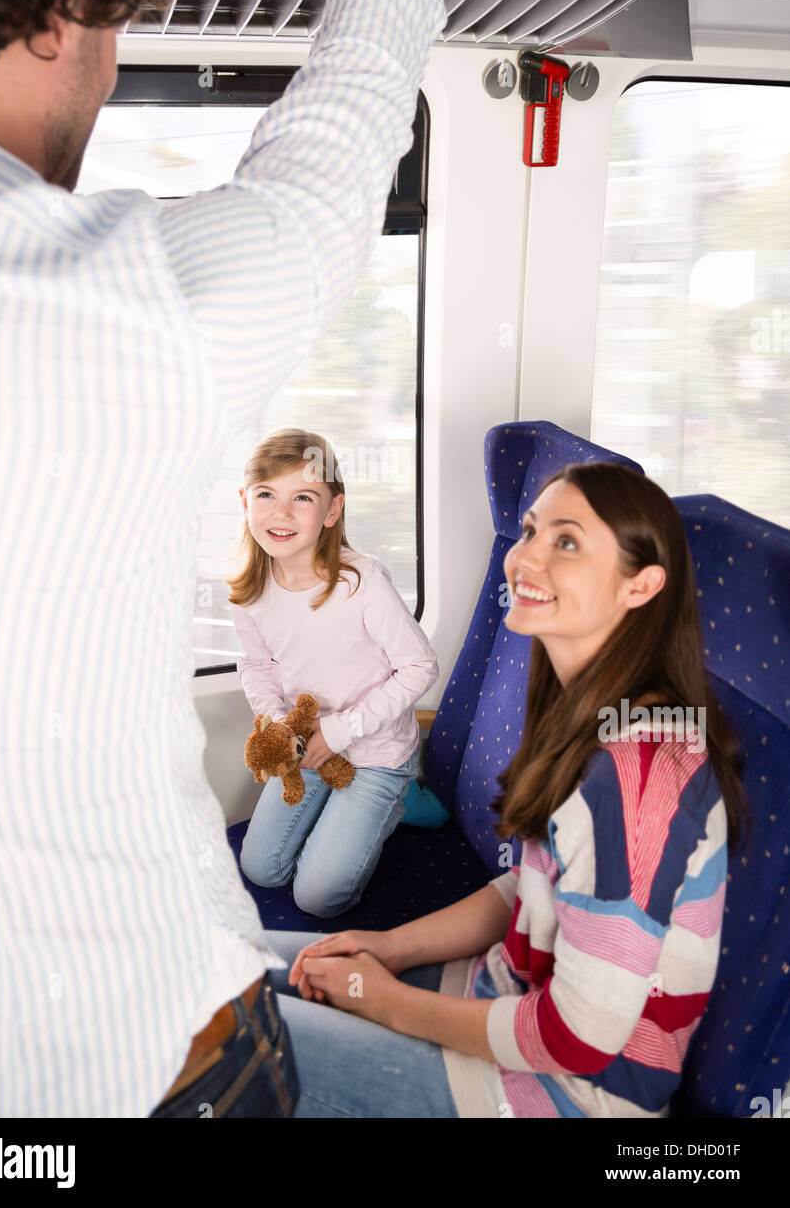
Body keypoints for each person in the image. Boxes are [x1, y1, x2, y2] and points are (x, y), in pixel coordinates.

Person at [0, 0, 446, 1116]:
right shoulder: (136, 302)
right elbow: (350, 114)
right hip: (152, 1067)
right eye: (114, 31)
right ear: (67, 1)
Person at [256, 462, 750, 1118]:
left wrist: (379, 998)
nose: (526, 557)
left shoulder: (632, 779)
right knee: (223, 964)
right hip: (501, 993)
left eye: (566, 542)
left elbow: (578, 1039)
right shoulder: (592, 716)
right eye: (529, 530)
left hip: (563, 1094)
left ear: (642, 586)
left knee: (221, 1034)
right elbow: (536, 886)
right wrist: (386, 947)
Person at [228, 429, 439, 917]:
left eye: (302, 497)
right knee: (261, 868)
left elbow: (419, 666)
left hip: (375, 753)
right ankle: (337, 818)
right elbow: (256, 664)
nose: (280, 514)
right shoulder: (250, 589)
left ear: (332, 510)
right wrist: (275, 722)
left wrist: (341, 731)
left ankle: (399, 799)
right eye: (266, 495)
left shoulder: (361, 581)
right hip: (309, 750)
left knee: (318, 897)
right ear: (245, 501)